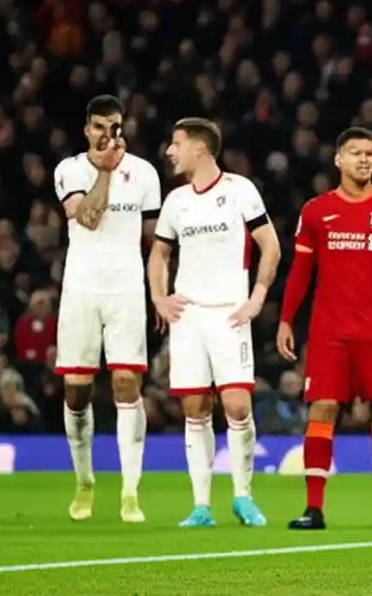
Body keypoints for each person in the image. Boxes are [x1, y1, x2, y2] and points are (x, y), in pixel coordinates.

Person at [278, 127, 372, 530]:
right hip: (329, 334)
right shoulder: (316, 212)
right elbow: (300, 273)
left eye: (370, 154)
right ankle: (313, 509)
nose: (364, 160)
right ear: (338, 159)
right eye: (356, 153)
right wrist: (286, 319)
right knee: (322, 409)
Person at [148, 117, 281, 528]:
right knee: (194, 407)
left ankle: (243, 498)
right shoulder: (176, 201)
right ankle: (201, 506)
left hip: (230, 314)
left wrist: (257, 299)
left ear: (200, 149)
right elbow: (159, 255)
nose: (170, 151)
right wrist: (159, 297)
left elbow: (271, 246)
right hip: (189, 317)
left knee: (238, 406)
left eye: (176, 143)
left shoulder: (240, 191)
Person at [52, 94, 161, 523]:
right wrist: (105, 173)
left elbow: (156, 243)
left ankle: (130, 492)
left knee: (126, 385)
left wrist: (159, 291)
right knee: (76, 390)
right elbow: (88, 218)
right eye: (98, 126)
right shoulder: (71, 170)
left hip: (126, 290)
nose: (106, 134)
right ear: (86, 129)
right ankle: (85, 482)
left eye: (113, 126)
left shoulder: (146, 174)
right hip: (80, 289)